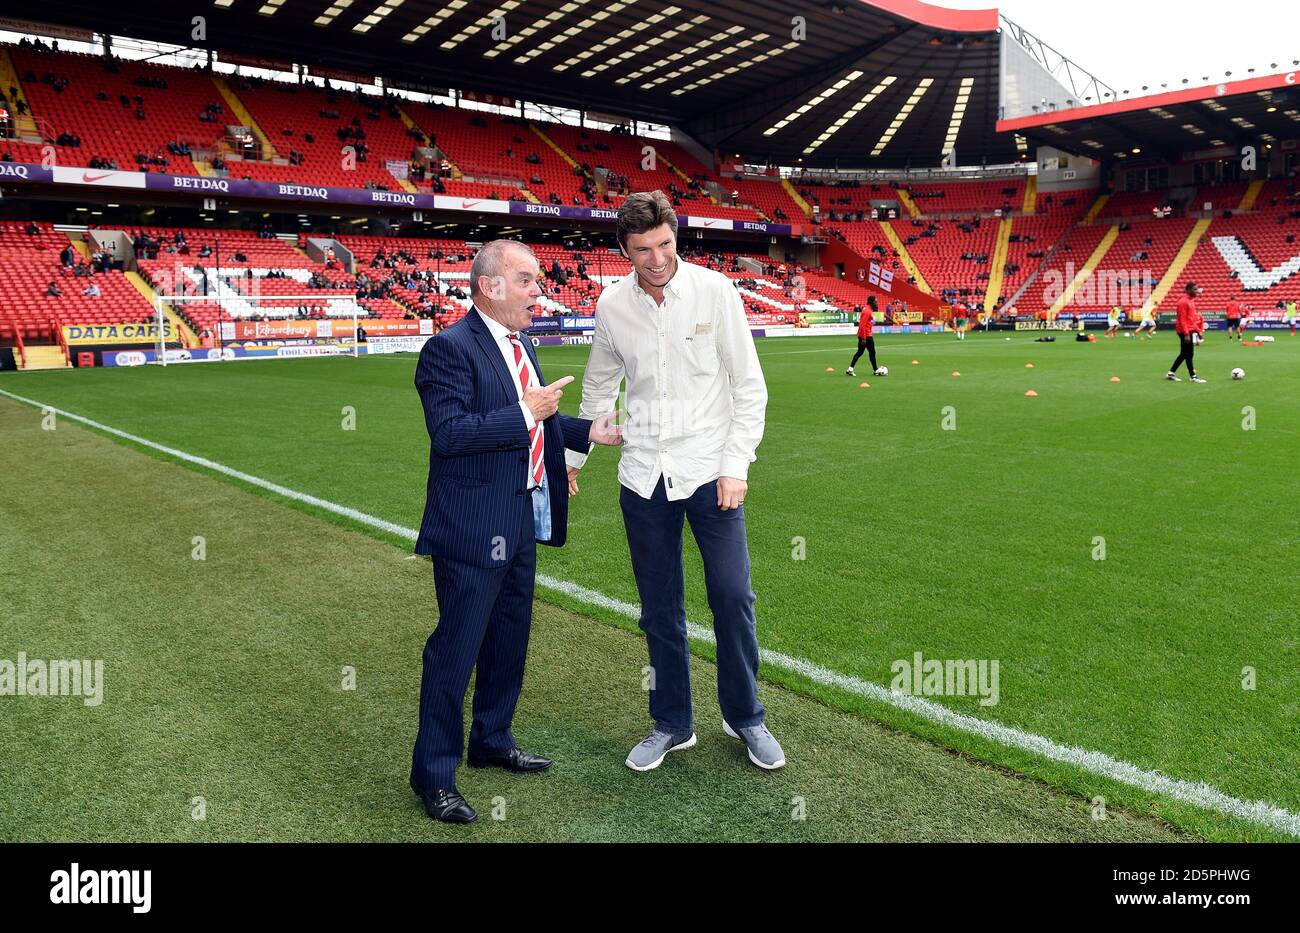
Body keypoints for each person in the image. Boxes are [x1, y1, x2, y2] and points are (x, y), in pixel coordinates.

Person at [567, 191, 785, 773]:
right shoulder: (612, 306)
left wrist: (736, 465)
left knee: (733, 597)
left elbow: (749, 387)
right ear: (625, 250)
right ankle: (672, 723)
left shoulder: (716, 292)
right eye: (644, 250)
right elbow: (598, 388)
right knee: (658, 609)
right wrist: (575, 457)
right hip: (643, 477)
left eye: (665, 244)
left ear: (674, 236)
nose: (658, 258)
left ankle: (747, 718)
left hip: (712, 475)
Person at [410, 240, 622, 824]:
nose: (539, 290)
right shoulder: (448, 350)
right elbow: (451, 434)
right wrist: (529, 410)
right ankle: (434, 776)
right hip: (472, 528)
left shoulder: (519, 342)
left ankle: (492, 739)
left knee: (509, 640)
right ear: (490, 286)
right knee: (455, 651)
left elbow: (539, 421)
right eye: (527, 280)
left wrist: (586, 433)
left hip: (521, 519)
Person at [1167, 281, 1207, 383]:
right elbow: (1182, 319)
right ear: (1188, 290)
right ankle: (1193, 376)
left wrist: (1198, 331)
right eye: (1195, 289)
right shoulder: (1183, 302)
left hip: (1190, 329)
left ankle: (1171, 372)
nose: (1197, 291)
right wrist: (1186, 334)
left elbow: (1191, 319)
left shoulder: (1191, 300)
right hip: (1184, 331)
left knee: (1184, 354)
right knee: (1189, 354)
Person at [846, 295, 881, 377]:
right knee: (872, 352)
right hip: (866, 335)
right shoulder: (867, 311)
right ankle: (876, 370)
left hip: (863, 334)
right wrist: (864, 338)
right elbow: (862, 325)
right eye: (875, 302)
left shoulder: (867, 309)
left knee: (860, 352)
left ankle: (850, 369)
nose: (877, 303)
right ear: (871, 302)